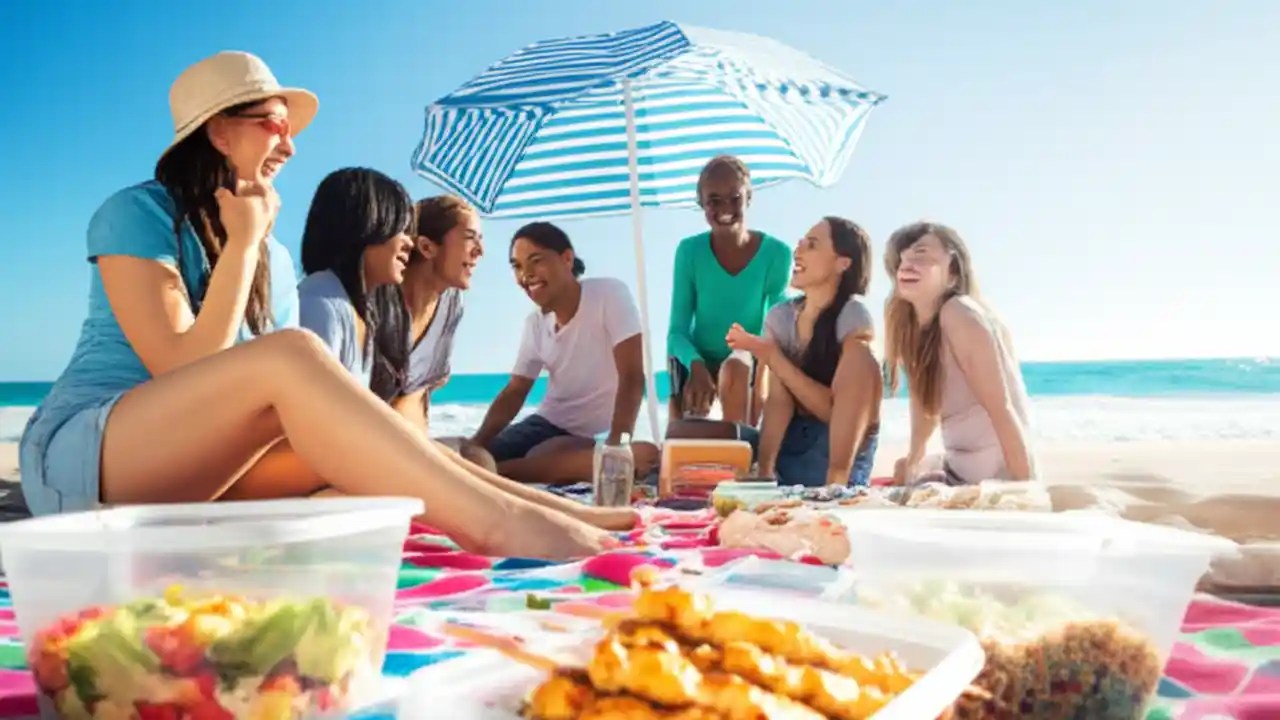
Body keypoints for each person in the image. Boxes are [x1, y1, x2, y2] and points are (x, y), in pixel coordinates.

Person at [17, 50, 616, 560]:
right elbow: (183, 365)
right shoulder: (137, 214)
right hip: (89, 461)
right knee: (296, 358)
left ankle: (536, 508)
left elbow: (283, 412)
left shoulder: (274, 258)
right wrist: (243, 242)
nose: (290, 146)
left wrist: (254, 245)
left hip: (202, 477)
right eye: (273, 125)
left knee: (374, 468)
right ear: (219, 132)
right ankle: (502, 527)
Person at [472, 222, 658, 484]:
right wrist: (478, 443)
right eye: (517, 266)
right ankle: (497, 470)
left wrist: (617, 445)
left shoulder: (608, 294)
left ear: (567, 259)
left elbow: (631, 376)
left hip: (597, 434)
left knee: (538, 457)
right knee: (480, 459)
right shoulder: (535, 324)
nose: (526, 274)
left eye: (536, 260)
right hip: (544, 423)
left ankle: (504, 472)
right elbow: (515, 391)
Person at [727, 217, 882, 487]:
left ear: (842, 263)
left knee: (861, 356)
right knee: (697, 437)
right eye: (800, 243)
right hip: (788, 442)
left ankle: (836, 490)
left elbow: (837, 414)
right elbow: (778, 400)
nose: (798, 251)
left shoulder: (852, 317)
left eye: (812, 245)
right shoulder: (781, 317)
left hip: (834, 449)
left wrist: (774, 357)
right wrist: (765, 470)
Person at [882, 221, 1036, 485]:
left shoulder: (959, 313)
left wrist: (1026, 487)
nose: (906, 264)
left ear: (952, 271)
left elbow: (1002, 409)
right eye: (901, 259)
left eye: (921, 254)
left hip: (995, 472)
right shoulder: (915, 328)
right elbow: (924, 409)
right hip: (960, 468)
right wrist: (913, 459)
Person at [667, 155, 791, 425]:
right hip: (699, 359)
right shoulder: (689, 252)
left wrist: (760, 386)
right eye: (714, 200)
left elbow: (776, 330)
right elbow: (676, 332)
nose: (725, 207)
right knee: (684, 432)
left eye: (734, 198)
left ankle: (741, 449)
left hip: (749, 357)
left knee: (737, 366)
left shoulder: (776, 254)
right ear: (701, 204)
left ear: (749, 198)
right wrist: (696, 365)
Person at [297, 167, 413, 399]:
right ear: (365, 225)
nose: (409, 242)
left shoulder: (359, 311)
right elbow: (312, 411)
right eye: (399, 228)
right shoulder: (320, 301)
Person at [396, 195, 491, 467]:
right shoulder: (383, 303)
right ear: (426, 247)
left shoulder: (450, 304)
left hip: (408, 435)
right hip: (369, 439)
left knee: (477, 458)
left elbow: (422, 391)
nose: (480, 251)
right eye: (470, 238)